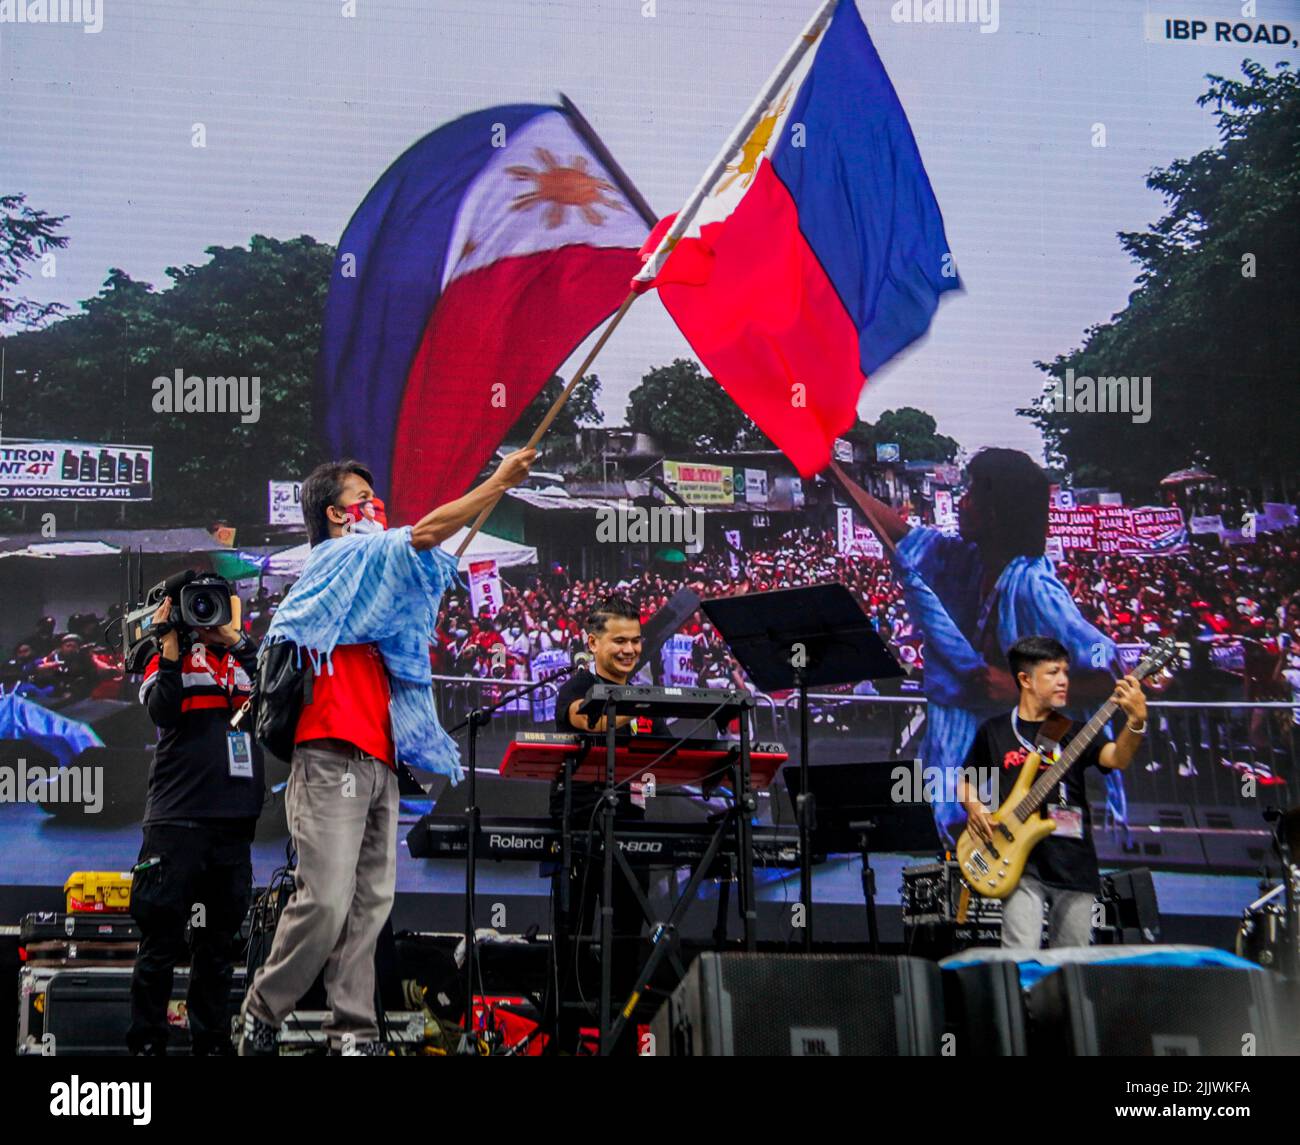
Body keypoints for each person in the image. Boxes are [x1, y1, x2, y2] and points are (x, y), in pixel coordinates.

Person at [238, 447, 535, 1056]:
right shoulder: (335, 561)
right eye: (365, 501)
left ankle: (355, 1032)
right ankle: (263, 1009)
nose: (377, 510)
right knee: (324, 899)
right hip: (329, 754)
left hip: (377, 760)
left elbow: (420, 560)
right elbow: (423, 535)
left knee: (370, 906)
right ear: (337, 515)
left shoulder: (374, 600)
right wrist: (498, 482)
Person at [837, 449, 1127, 846]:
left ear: (995, 514)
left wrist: (1020, 689)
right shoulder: (967, 562)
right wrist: (832, 470)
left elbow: (1110, 677)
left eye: (972, 493)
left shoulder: (1033, 589)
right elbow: (901, 535)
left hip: (1031, 790)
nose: (961, 501)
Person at [128, 588, 262, 1056]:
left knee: (218, 946)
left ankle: (211, 1041)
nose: (208, 611)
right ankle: (147, 1042)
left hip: (233, 822)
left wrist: (238, 640)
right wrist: (168, 645)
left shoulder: (245, 663)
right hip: (176, 819)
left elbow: (279, 696)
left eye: (218, 602)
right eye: (200, 604)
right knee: (161, 940)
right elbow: (162, 711)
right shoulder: (166, 659)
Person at [958, 635, 1149, 948]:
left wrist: (1137, 721)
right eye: (1053, 673)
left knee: (1071, 966)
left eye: (1065, 672)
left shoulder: (1073, 730)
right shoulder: (995, 731)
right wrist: (976, 807)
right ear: (1025, 679)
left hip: (1074, 864)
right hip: (1020, 865)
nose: (1063, 681)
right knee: (1020, 958)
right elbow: (966, 781)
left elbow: (1118, 758)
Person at [548, 596, 666, 1056]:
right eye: (619, 640)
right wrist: (635, 713)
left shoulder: (646, 692)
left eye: (636, 641)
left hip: (633, 831)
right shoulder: (577, 683)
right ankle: (566, 1043)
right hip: (578, 830)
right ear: (593, 642)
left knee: (625, 944)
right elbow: (582, 717)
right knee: (572, 946)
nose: (630, 649)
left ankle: (618, 1044)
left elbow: (672, 758)